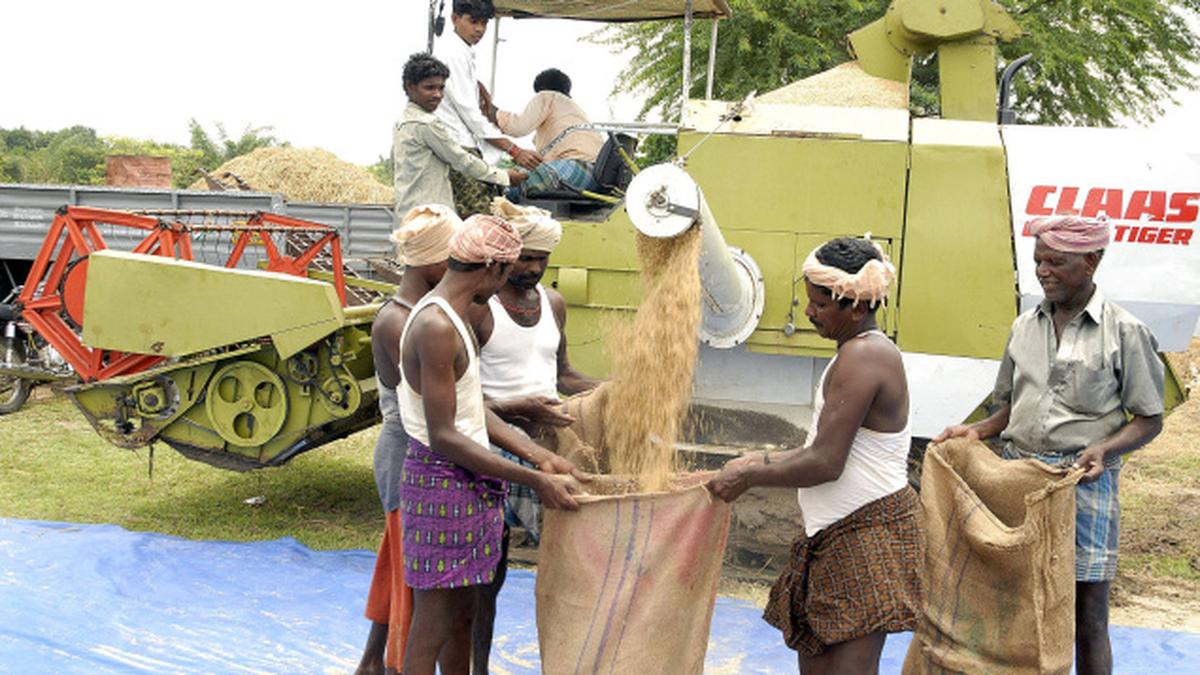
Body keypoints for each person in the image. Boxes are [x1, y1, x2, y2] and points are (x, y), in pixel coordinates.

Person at [934, 215, 1164, 675]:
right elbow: (1009, 409)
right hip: (1017, 481)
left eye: (1056, 262)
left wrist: (1105, 450)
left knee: (1086, 615)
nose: (1043, 271)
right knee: (1018, 606)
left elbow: (1149, 419)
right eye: (1039, 261)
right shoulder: (1024, 327)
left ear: (1091, 262)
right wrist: (976, 431)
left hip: (1082, 484)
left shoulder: (1124, 332)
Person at [707, 237, 922, 675]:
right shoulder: (855, 353)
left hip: (867, 538)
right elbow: (822, 448)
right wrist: (754, 460)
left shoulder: (864, 357)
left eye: (820, 304)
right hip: (838, 537)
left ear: (856, 308)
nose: (809, 312)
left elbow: (825, 462)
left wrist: (750, 472)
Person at [397, 214, 583, 675]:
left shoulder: (458, 315)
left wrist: (538, 454)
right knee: (432, 623)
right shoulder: (437, 325)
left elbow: (472, 409)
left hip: (466, 482)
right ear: (494, 270)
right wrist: (533, 478)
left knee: (463, 614)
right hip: (441, 482)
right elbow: (445, 436)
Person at [469, 199, 602, 674]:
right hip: (490, 450)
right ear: (504, 256)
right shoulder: (479, 311)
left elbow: (563, 375)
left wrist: (612, 390)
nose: (532, 268)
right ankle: (476, 666)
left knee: (572, 564)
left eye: (541, 260)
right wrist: (516, 409)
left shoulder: (554, 304)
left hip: (547, 452)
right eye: (524, 258)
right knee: (488, 573)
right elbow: (463, 401)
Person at [355, 204, 460, 675]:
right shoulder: (400, 321)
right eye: (456, 261)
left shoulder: (419, 312)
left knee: (396, 566)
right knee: (410, 583)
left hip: (418, 450)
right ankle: (396, 664)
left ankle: (372, 661)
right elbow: (428, 412)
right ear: (434, 264)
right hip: (407, 456)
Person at [433, 0, 541, 217]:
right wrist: (514, 150)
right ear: (455, 19)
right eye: (473, 22)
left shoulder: (463, 52)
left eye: (484, 23)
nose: (480, 29)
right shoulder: (452, 55)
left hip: (468, 145)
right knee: (477, 218)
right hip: (460, 145)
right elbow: (471, 116)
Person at [394, 52, 525, 219]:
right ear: (410, 86)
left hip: (408, 214)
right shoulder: (426, 124)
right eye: (429, 88)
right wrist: (504, 176)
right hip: (430, 218)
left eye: (441, 88)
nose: (438, 95)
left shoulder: (402, 122)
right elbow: (461, 159)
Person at [482, 69, 605, 201]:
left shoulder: (547, 96)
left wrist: (488, 108)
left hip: (574, 169)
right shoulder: (576, 113)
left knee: (501, 184)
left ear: (540, 90)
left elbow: (517, 127)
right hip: (595, 178)